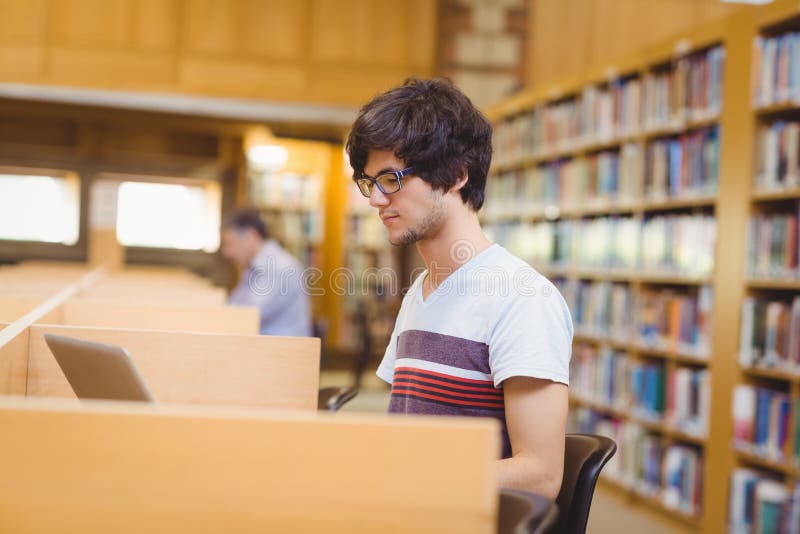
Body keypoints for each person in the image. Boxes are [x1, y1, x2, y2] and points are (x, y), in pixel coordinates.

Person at [346, 78, 573, 499]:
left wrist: (418, 482)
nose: (375, 200)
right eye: (369, 183)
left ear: (455, 175)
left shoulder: (521, 298)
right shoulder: (421, 292)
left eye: (390, 179)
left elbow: (541, 474)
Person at [221, 209, 312, 337]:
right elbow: (233, 306)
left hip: (284, 351)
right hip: (265, 346)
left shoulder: (278, 267)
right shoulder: (253, 266)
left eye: (230, 244)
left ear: (251, 236)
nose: (227, 253)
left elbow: (246, 316)